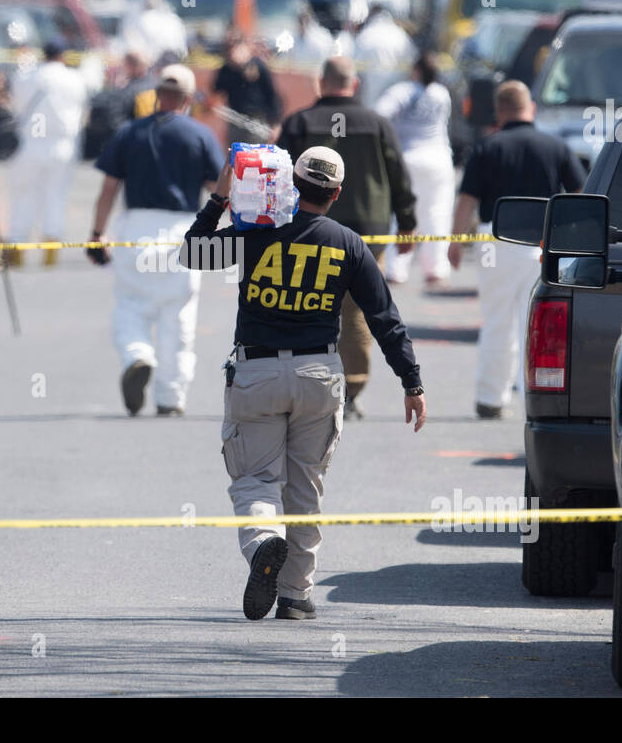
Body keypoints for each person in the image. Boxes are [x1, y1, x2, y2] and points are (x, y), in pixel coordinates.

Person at [179, 146, 426, 621]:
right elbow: (384, 319)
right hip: (320, 376)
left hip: (258, 373)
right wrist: (411, 382)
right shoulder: (349, 243)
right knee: (306, 487)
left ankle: (263, 545)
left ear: (292, 184)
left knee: (255, 480)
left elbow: (194, 252)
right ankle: (295, 594)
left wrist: (220, 198)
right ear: (336, 193)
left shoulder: (257, 234)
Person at [277, 55, 416, 419]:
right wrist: (407, 224)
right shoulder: (377, 123)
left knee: (307, 302)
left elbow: (279, 179)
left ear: (321, 83)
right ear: (354, 85)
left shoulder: (300, 122)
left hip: (306, 227)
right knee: (358, 311)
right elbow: (399, 176)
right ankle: (352, 389)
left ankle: (306, 382)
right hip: (368, 232)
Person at [89, 64, 224, 416]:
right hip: (183, 230)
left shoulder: (129, 133)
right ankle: (171, 395)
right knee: (177, 316)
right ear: (189, 98)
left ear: (157, 95)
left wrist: (97, 234)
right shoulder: (200, 135)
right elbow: (219, 189)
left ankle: (136, 355)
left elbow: (108, 189)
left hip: (135, 229)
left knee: (131, 305)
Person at [449, 80, 586, 419]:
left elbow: (467, 199)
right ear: (531, 108)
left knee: (497, 321)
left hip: (494, 243)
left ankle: (490, 398)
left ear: (500, 111)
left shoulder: (487, 147)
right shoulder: (555, 147)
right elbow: (581, 194)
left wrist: (454, 241)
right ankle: (536, 400)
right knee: (537, 326)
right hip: (542, 246)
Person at [5, 41, 89, 267]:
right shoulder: (74, 79)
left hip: (31, 143)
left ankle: (17, 249)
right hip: (62, 145)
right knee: (56, 196)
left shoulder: (25, 77)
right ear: (63, 55)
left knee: (24, 196)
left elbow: (15, 104)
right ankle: (50, 253)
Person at [375, 53, 454, 288]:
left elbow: (379, 116)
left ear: (416, 70)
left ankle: (395, 268)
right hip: (439, 157)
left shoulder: (402, 91)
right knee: (437, 213)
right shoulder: (441, 93)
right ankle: (436, 268)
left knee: (399, 212)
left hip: (407, 157)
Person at [212, 29, 281, 142]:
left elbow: (271, 95)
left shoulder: (258, 65)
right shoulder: (226, 69)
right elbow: (217, 90)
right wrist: (234, 67)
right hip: (236, 119)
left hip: (256, 118)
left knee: (255, 153)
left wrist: (276, 123)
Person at [353, 4, 415, 107]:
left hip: (371, 89)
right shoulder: (401, 35)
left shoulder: (366, 35)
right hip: (397, 87)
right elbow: (412, 60)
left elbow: (356, 67)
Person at [121, 0, 188, 63]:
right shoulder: (174, 19)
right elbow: (182, 46)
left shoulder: (142, 19)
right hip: (176, 60)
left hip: (152, 63)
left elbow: (134, 46)